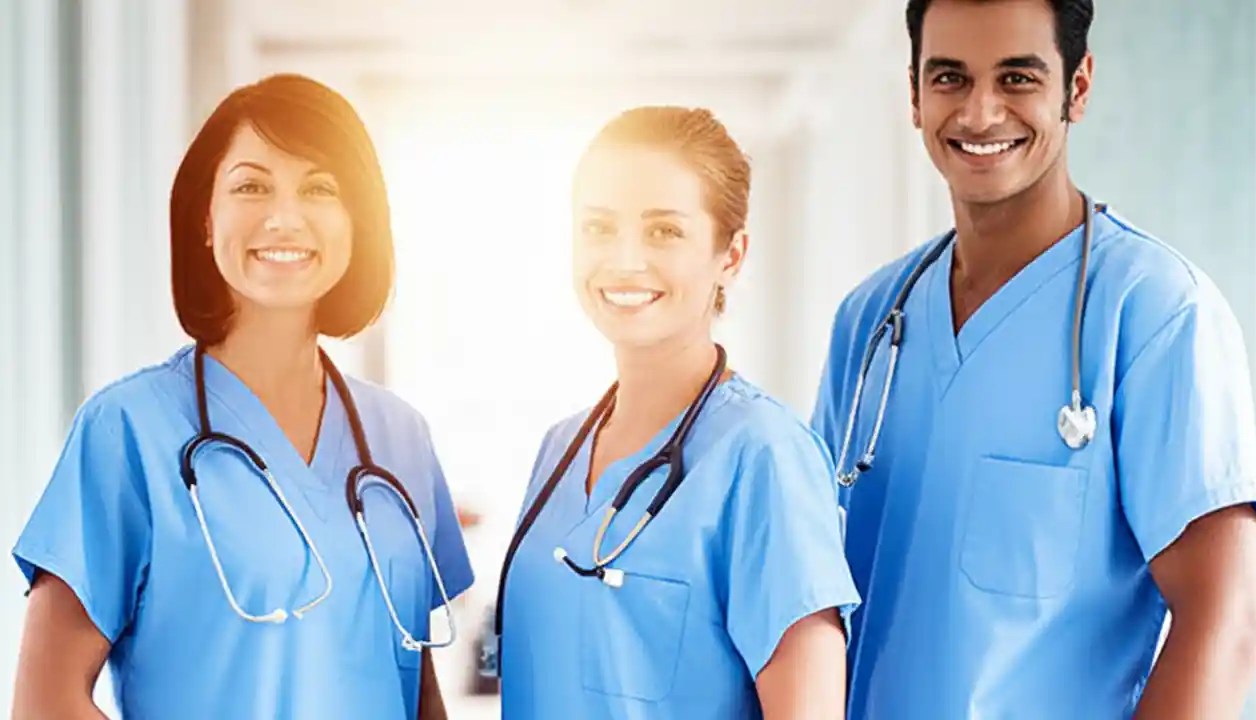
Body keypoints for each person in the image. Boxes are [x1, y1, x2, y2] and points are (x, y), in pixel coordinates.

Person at [810, 1, 1256, 717]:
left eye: (1018, 78)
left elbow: (1228, 621)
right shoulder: (870, 324)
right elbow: (812, 604)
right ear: (914, 94)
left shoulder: (1154, 313)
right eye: (950, 78)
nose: (981, 112)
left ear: (1077, 88)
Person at [11, 73, 473, 720]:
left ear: (357, 223)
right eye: (251, 186)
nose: (284, 217)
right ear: (205, 219)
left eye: (320, 188)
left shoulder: (401, 438)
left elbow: (419, 693)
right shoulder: (128, 432)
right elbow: (45, 703)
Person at [492, 106, 859, 719]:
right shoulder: (560, 448)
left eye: (664, 231)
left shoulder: (763, 456)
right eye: (599, 228)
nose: (625, 260)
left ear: (731, 256)